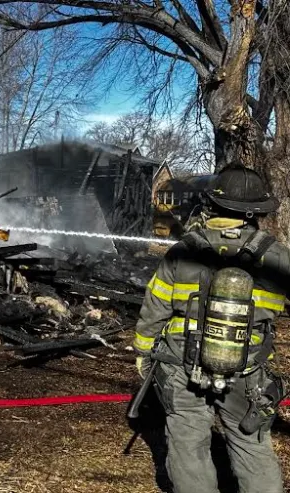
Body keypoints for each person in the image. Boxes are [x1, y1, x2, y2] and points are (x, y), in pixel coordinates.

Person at [134, 166, 289, 493]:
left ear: (213, 205)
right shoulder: (277, 256)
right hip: (246, 371)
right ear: (257, 212)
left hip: (180, 366)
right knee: (252, 447)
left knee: (188, 447)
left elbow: (154, 307)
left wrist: (143, 352)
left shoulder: (184, 250)